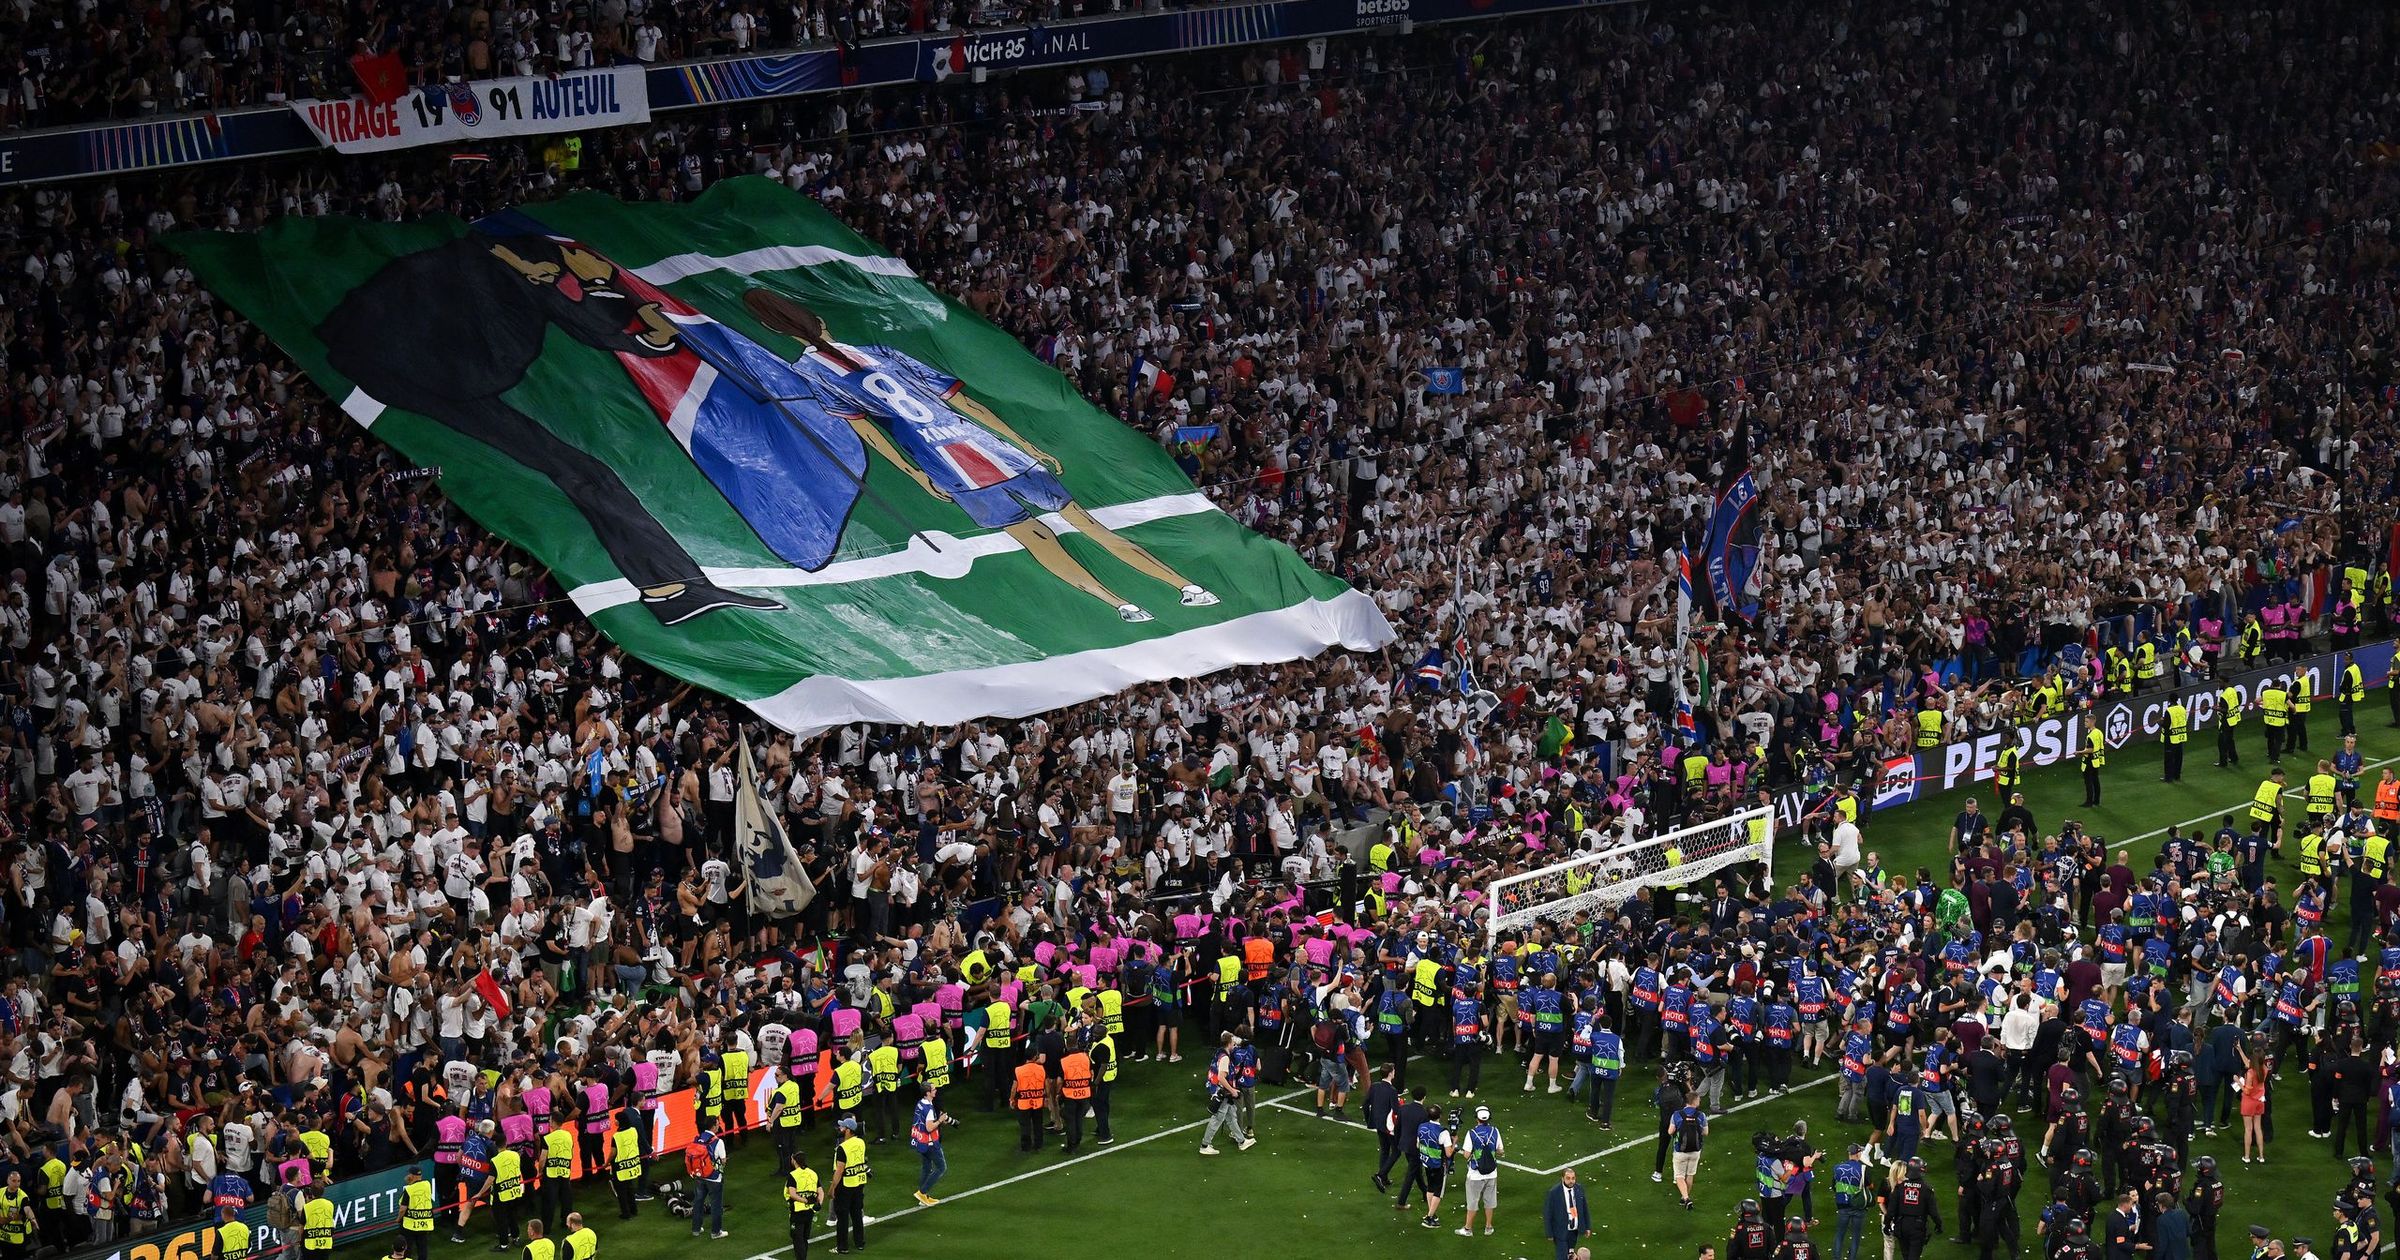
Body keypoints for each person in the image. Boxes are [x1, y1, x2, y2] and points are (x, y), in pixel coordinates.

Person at [1394, 1102, 1453, 1229]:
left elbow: (1417, 1144)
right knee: (1438, 1191)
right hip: (1438, 1164)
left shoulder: (1421, 1126)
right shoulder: (1443, 1132)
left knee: (1430, 1188)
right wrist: (1454, 1144)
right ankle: (1429, 1217)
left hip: (1426, 1162)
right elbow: (1448, 1153)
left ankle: (1431, 1212)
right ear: (1440, 1116)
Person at [1200, 1035, 1254, 1156]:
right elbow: (1221, 1078)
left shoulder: (1219, 1053)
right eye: (1233, 1043)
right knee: (1218, 1119)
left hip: (1219, 1090)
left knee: (1231, 1117)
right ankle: (1205, 1145)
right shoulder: (1225, 1058)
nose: (1235, 1045)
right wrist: (1233, 1091)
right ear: (1229, 1043)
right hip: (1223, 1091)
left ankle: (1241, 1141)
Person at [1881, 1159, 1943, 1260]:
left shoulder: (1899, 1188)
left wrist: (1887, 1225)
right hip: (1917, 1227)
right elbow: (1933, 1212)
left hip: (1901, 1226)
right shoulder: (1926, 1189)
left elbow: (1891, 1210)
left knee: (1906, 1256)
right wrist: (1938, 1225)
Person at [1458, 1106, 1504, 1237]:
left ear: (1477, 1118)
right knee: (1489, 1201)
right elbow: (1500, 1151)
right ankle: (1488, 1227)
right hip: (1492, 1172)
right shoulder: (1495, 1131)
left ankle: (1468, 1229)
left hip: (1475, 1174)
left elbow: (1466, 1155)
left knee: (1473, 1202)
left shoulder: (1471, 1133)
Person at [831, 1118, 870, 1256]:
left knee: (842, 1217)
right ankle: (860, 1243)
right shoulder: (861, 1142)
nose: (839, 1129)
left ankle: (842, 1247)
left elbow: (839, 1170)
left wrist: (832, 1188)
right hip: (859, 1183)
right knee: (856, 1214)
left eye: (842, 1127)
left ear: (848, 1130)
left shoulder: (842, 1148)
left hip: (845, 1185)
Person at [909, 1086, 951, 1206]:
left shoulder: (920, 1103)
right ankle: (922, 1192)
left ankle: (923, 1198)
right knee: (941, 1168)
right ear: (928, 1093)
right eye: (933, 1089)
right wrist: (940, 1121)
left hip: (920, 1140)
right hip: (930, 1142)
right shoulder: (928, 1108)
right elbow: (929, 1127)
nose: (936, 1090)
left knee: (926, 1168)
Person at [685, 1125, 727, 1239]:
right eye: (717, 1123)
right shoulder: (718, 1142)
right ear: (713, 1126)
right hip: (714, 1178)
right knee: (716, 1205)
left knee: (698, 1202)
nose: (719, 1125)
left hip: (699, 1176)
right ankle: (716, 1232)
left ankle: (696, 1229)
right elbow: (723, 1160)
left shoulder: (697, 1139)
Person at [1671, 1093, 1709, 1210]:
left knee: (1679, 1176)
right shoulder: (1701, 1115)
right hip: (1695, 1151)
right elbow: (1705, 1132)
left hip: (1680, 1151)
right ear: (1694, 1101)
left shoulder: (1677, 1115)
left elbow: (1670, 1131)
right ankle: (1684, 1198)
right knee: (1690, 1174)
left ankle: (1686, 1198)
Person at [1544, 1168, 1592, 1260]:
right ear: (1562, 1179)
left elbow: (1584, 1208)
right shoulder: (1554, 1193)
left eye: (1573, 1178)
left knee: (1570, 1256)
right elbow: (1548, 1214)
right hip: (1560, 1231)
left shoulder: (1579, 1188)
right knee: (1562, 1257)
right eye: (1568, 1178)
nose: (1571, 1181)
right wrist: (1549, 1233)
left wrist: (1587, 1226)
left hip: (1574, 1231)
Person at [783, 1152, 820, 1260]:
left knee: (797, 1238)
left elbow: (792, 1194)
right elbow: (821, 1191)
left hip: (797, 1212)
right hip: (810, 1212)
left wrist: (804, 1200)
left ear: (794, 1161)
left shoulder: (793, 1175)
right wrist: (819, 1203)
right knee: (804, 1238)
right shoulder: (813, 1173)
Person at [1014, 1050, 1050, 1153]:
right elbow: (1046, 1084)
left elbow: (1014, 1087)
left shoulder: (1018, 1070)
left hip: (1023, 1102)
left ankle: (1026, 1146)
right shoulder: (1041, 1069)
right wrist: (1046, 1097)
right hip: (1038, 1101)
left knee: (1025, 1125)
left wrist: (1012, 1098)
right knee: (1038, 1123)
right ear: (1034, 1057)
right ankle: (1038, 1144)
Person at [399, 1167, 436, 1260]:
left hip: (410, 1224)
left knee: (407, 1248)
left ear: (412, 1176)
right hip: (424, 1222)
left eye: (408, 1174)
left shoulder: (409, 1189)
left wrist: (398, 1219)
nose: (407, 1176)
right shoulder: (427, 1184)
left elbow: (402, 1209)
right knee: (422, 1247)